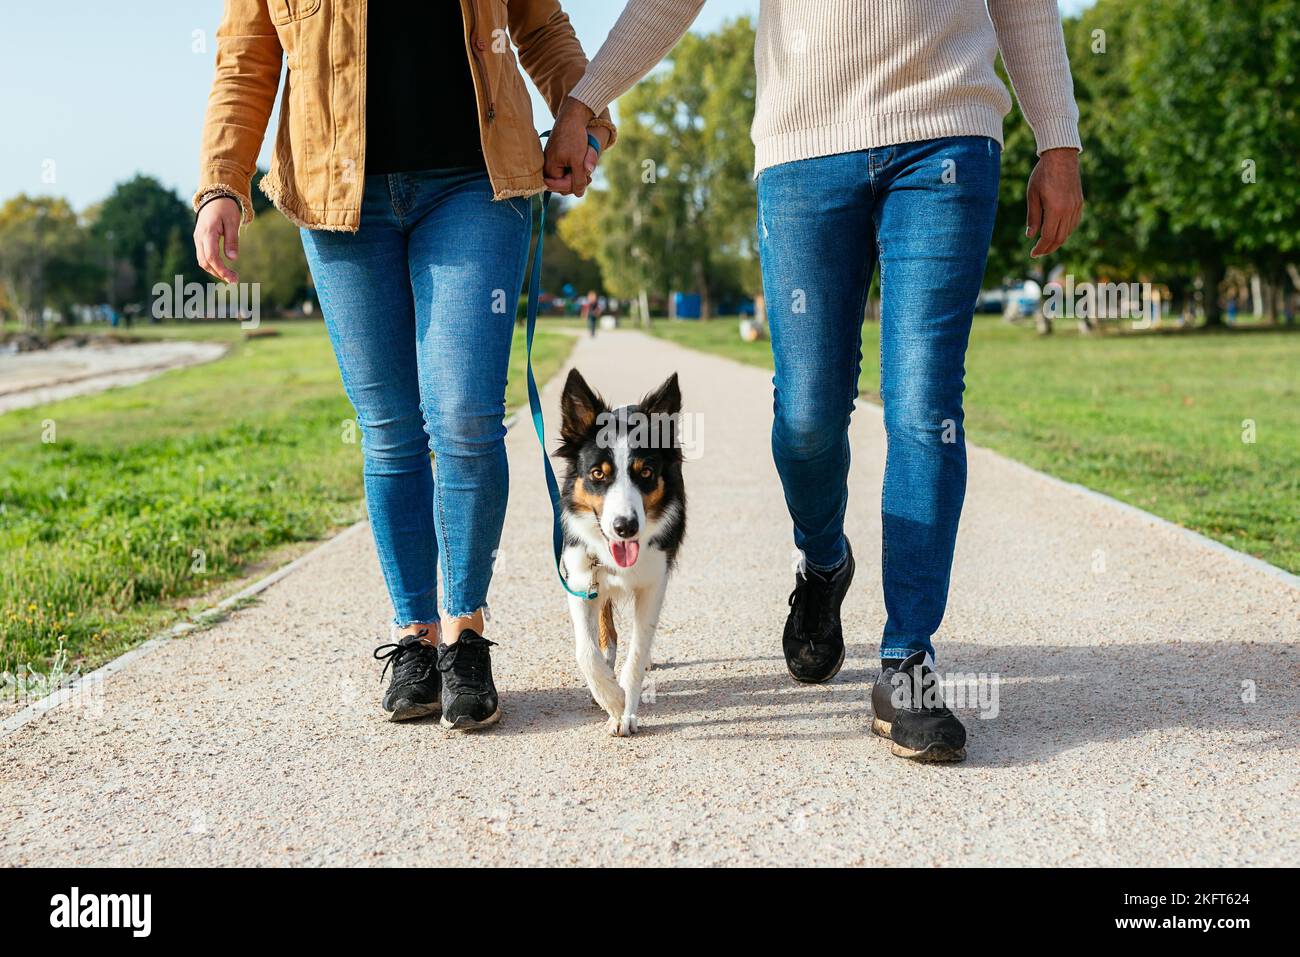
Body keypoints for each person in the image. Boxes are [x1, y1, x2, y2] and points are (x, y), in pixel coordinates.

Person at [545, 0, 1084, 760]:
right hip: (806, 148)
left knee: (924, 407)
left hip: (946, 133)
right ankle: (823, 559)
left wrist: (1058, 139)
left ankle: (906, 662)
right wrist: (584, 98)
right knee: (807, 414)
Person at [193, 0, 615, 730]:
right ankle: (415, 636)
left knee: (463, 415)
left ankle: (466, 630)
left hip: (476, 183)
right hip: (337, 195)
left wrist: (583, 118)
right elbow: (245, 57)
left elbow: (539, 23)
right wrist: (222, 182)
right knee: (388, 427)